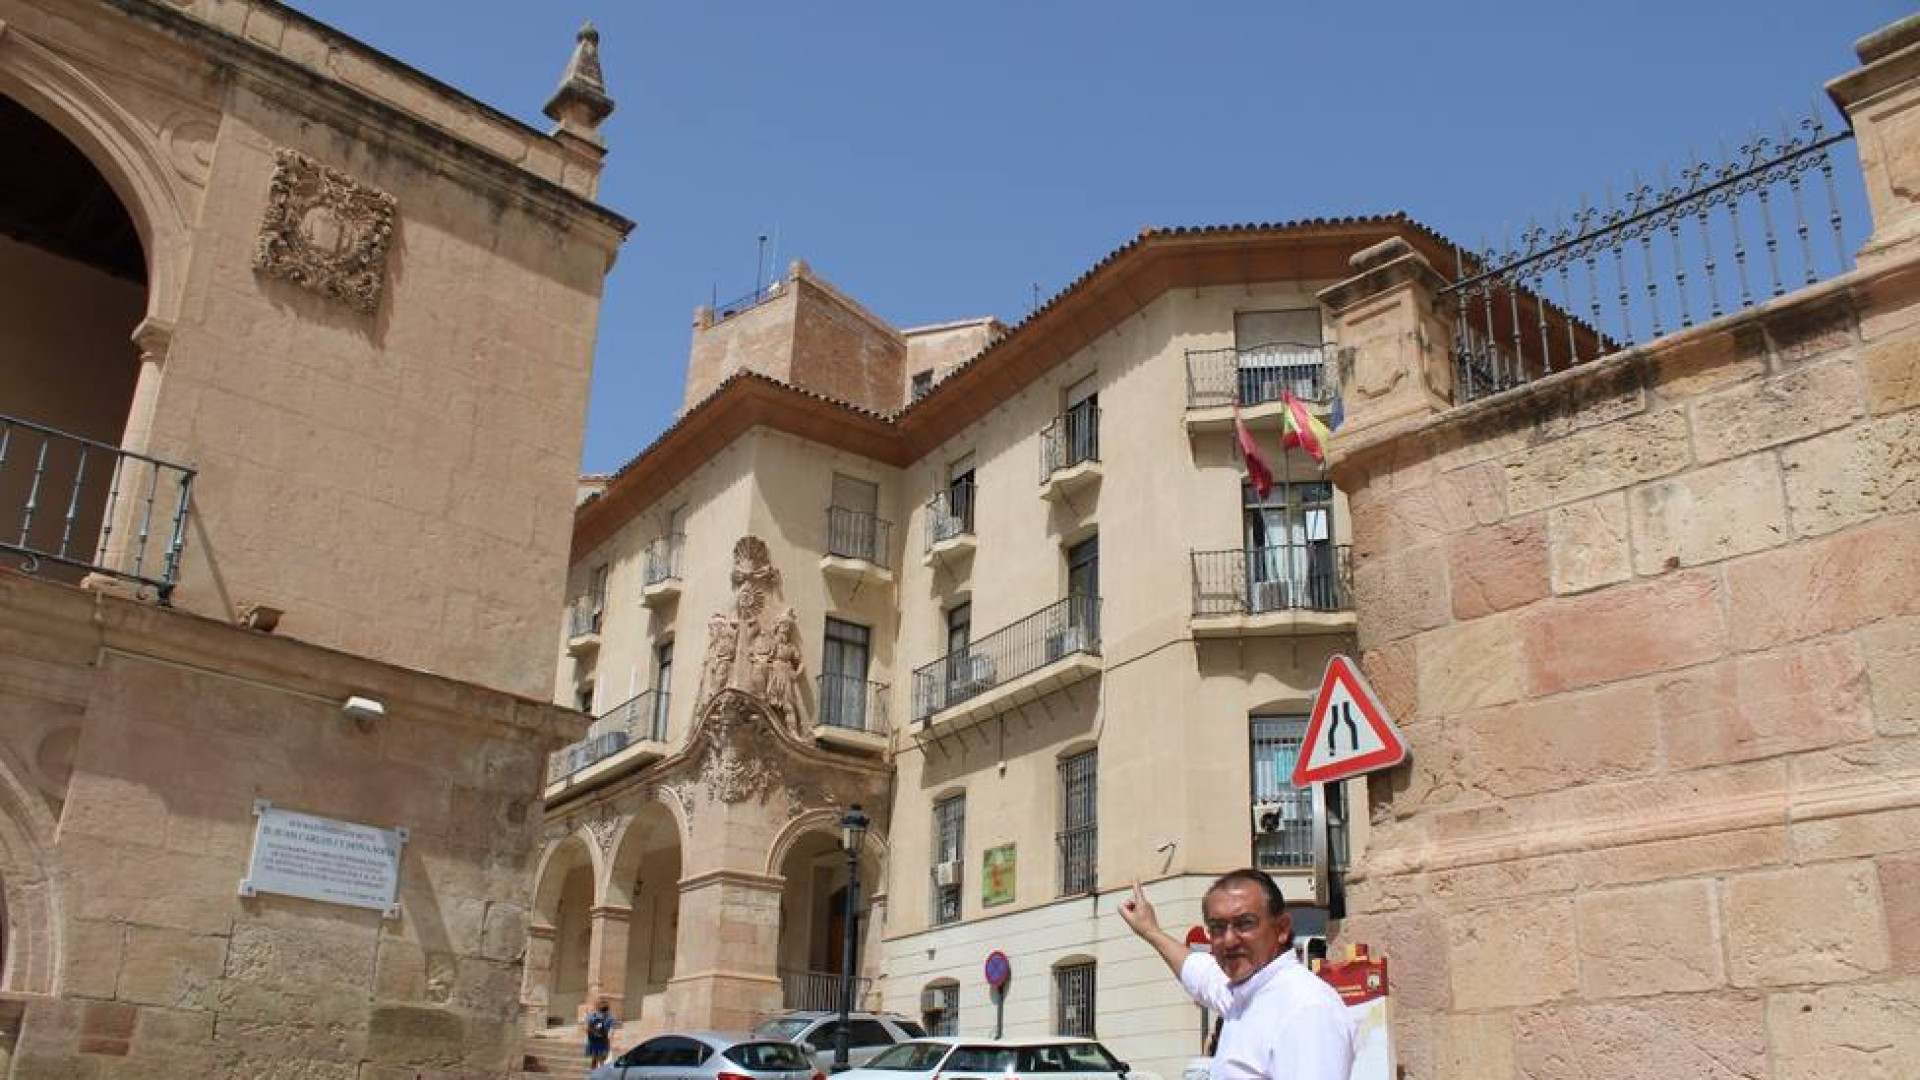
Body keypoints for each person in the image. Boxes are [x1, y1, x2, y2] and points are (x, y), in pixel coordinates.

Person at [1119, 870, 1353, 1080]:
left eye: (1245, 924)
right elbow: (1199, 972)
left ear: (1281, 928)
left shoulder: (1306, 1008)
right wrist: (1151, 931)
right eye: (1218, 928)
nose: (1229, 941)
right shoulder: (1246, 994)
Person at [584, 998, 619, 1069]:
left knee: (594, 1060)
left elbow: (586, 1028)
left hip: (593, 1042)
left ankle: (593, 1073)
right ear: (608, 1008)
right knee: (602, 1062)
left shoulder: (592, 1016)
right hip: (603, 1042)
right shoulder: (611, 1018)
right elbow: (610, 1033)